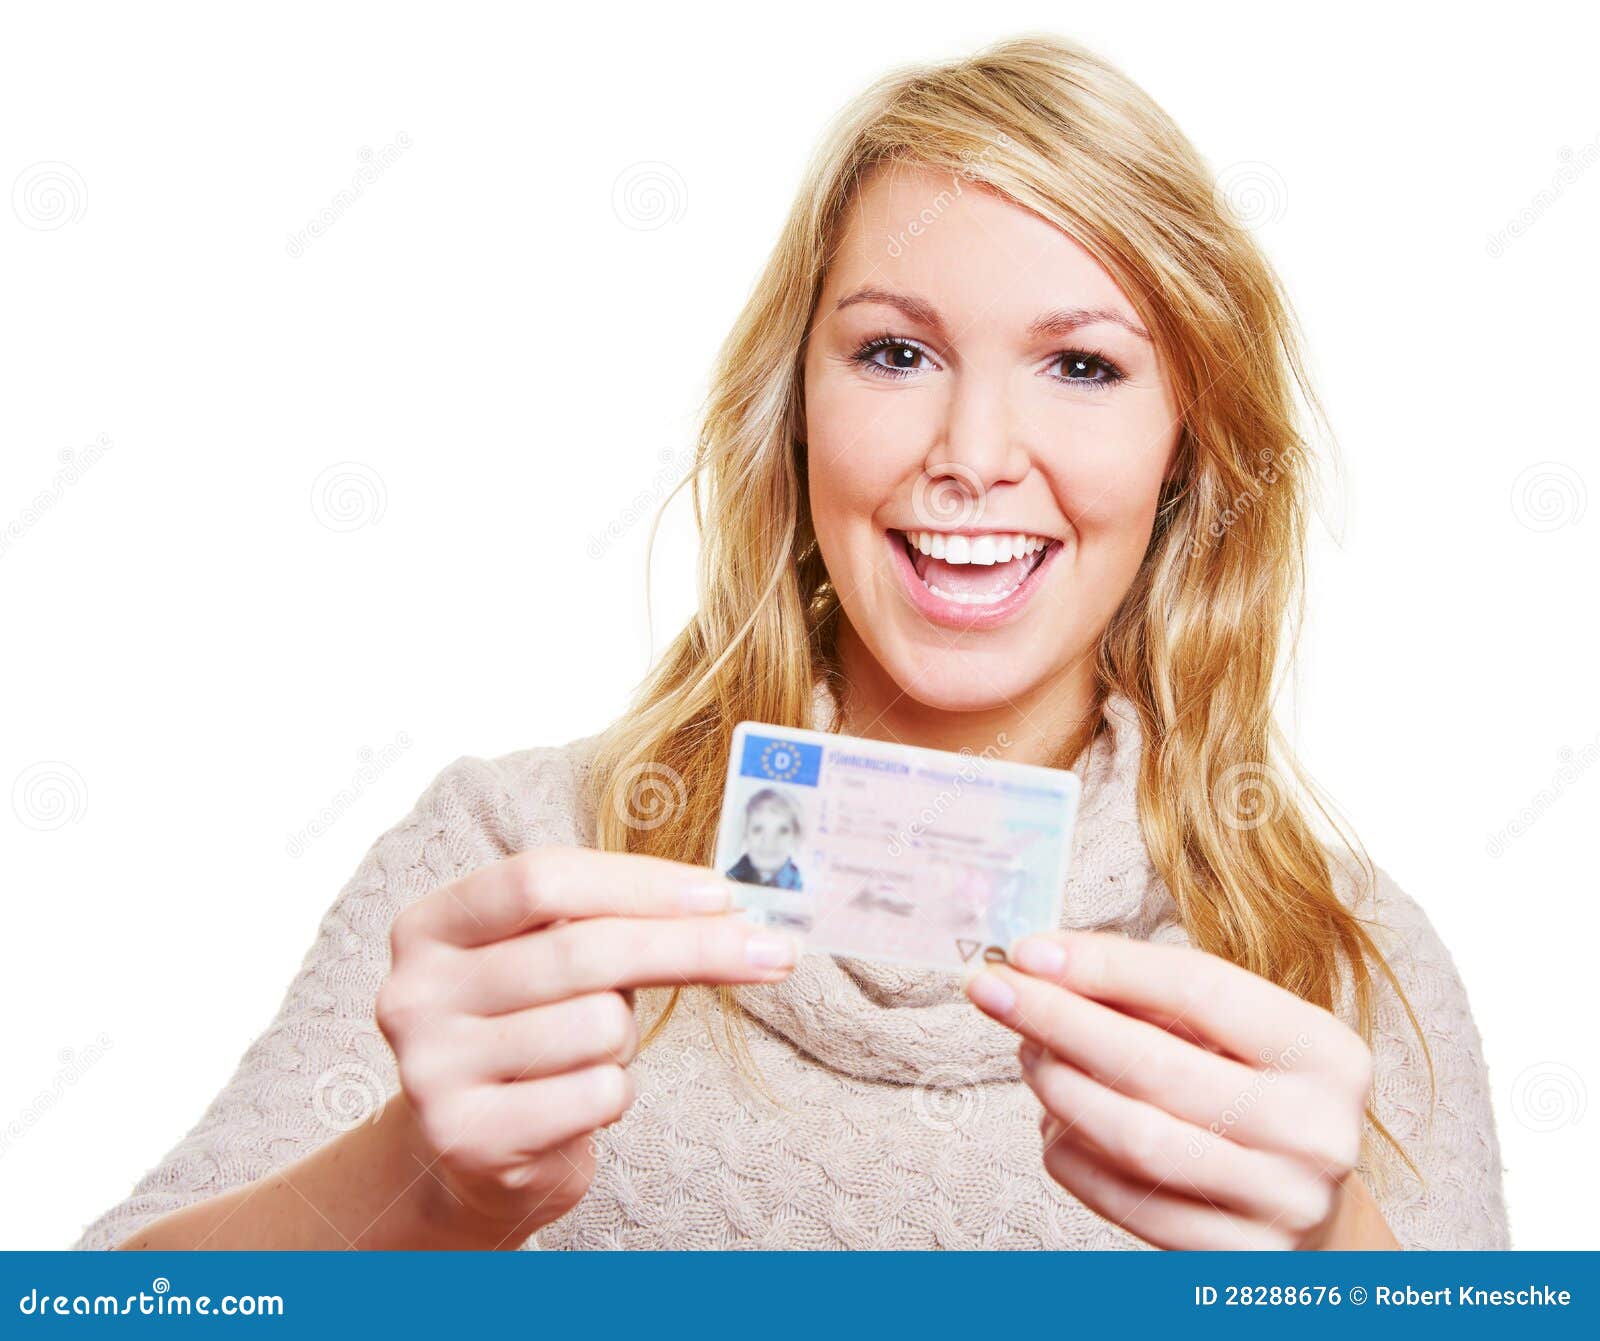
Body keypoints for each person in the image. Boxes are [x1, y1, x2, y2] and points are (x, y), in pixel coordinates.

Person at [77, 33, 1509, 1251]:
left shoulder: (1340, 964)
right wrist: (418, 1184)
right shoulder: (519, 860)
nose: (974, 453)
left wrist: (1343, 1267)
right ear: (800, 405)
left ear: (1185, 443)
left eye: (1082, 365)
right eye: (898, 352)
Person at [725, 789, 805, 891]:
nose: (769, 842)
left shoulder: (803, 887)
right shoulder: (727, 879)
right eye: (758, 830)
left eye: (783, 831)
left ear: (796, 835)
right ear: (745, 833)